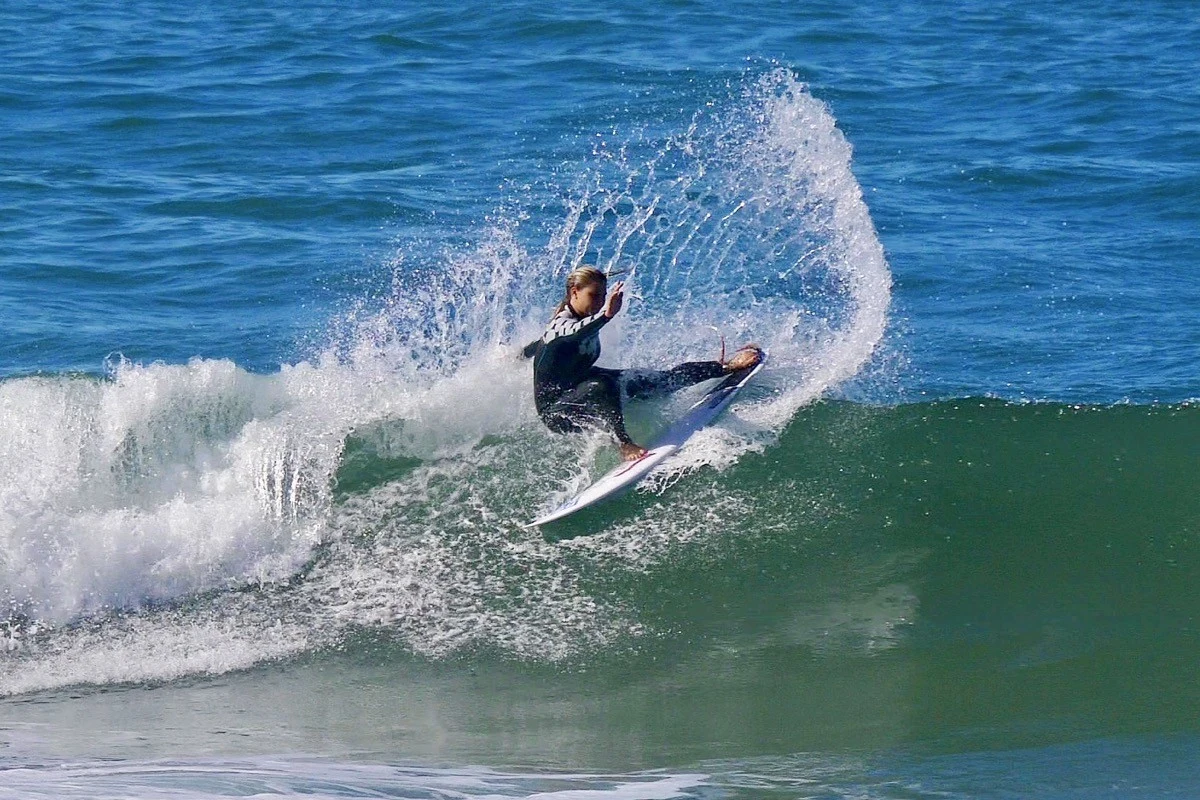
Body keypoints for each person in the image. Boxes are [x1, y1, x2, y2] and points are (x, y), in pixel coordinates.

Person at [522, 266, 762, 461]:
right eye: (593, 296)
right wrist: (606, 315)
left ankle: (723, 367)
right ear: (575, 292)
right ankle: (624, 443)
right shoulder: (564, 325)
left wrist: (520, 355)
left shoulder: (576, 320)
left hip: (582, 389)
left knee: (651, 379)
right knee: (602, 386)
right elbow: (569, 333)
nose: (598, 302)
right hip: (558, 412)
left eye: (603, 297)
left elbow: (541, 344)